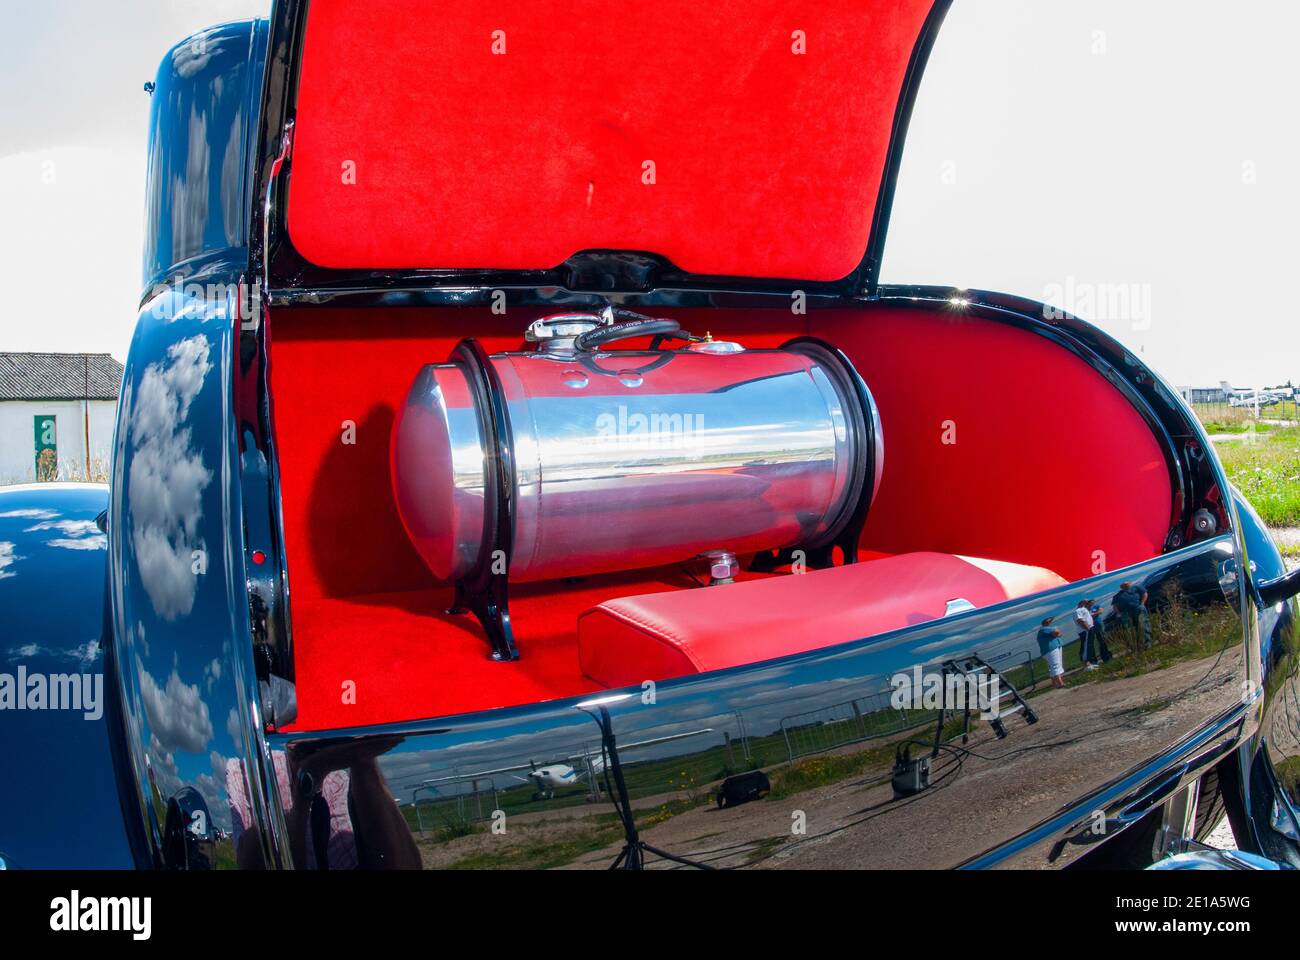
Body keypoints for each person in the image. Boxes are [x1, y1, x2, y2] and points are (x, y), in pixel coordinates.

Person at [1113, 581, 1152, 649]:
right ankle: (1137, 646)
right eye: (1123, 585)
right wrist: (1119, 613)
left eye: (1126, 584)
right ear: (1121, 587)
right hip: (1126, 613)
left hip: (1138, 609)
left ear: (1130, 584)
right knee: (1130, 629)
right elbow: (1115, 606)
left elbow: (1145, 593)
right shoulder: (1118, 595)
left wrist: (1142, 603)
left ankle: (1147, 644)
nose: (1125, 585)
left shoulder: (1136, 588)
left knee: (1143, 625)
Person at [1037, 616, 1066, 688]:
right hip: (1051, 650)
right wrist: (1056, 633)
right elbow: (1057, 632)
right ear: (1044, 623)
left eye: (1050, 621)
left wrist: (1057, 633)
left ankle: (1054, 683)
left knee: (1054, 666)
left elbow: (1058, 633)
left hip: (1054, 648)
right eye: (1048, 621)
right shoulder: (1044, 629)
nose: (1049, 622)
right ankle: (1060, 683)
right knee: (1055, 665)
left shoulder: (1047, 629)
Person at [1073, 599, 1098, 669]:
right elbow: (1080, 620)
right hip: (1085, 630)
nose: (1087, 603)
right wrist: (1087, 628)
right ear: (1081, 603)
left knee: (1090, 646)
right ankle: (1087, 664)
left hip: (1089, 629)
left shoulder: (1084, 609)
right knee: (1086, 647)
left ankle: (1091, 662)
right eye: (1085, 602)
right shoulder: (1077, 611)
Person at [1088, 598, 1112, 663]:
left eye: (1093, 601)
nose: (1092, 603)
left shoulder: (1096, 606)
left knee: (1102, 641)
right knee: (1095, 643)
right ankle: (1102, 657)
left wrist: (1091, 615)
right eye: (1090, 602)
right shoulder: (1086, 610)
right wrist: (1094, 614)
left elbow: (1100, 611)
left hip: (1099, 626)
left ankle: (1106, 657)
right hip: (1091, 628)